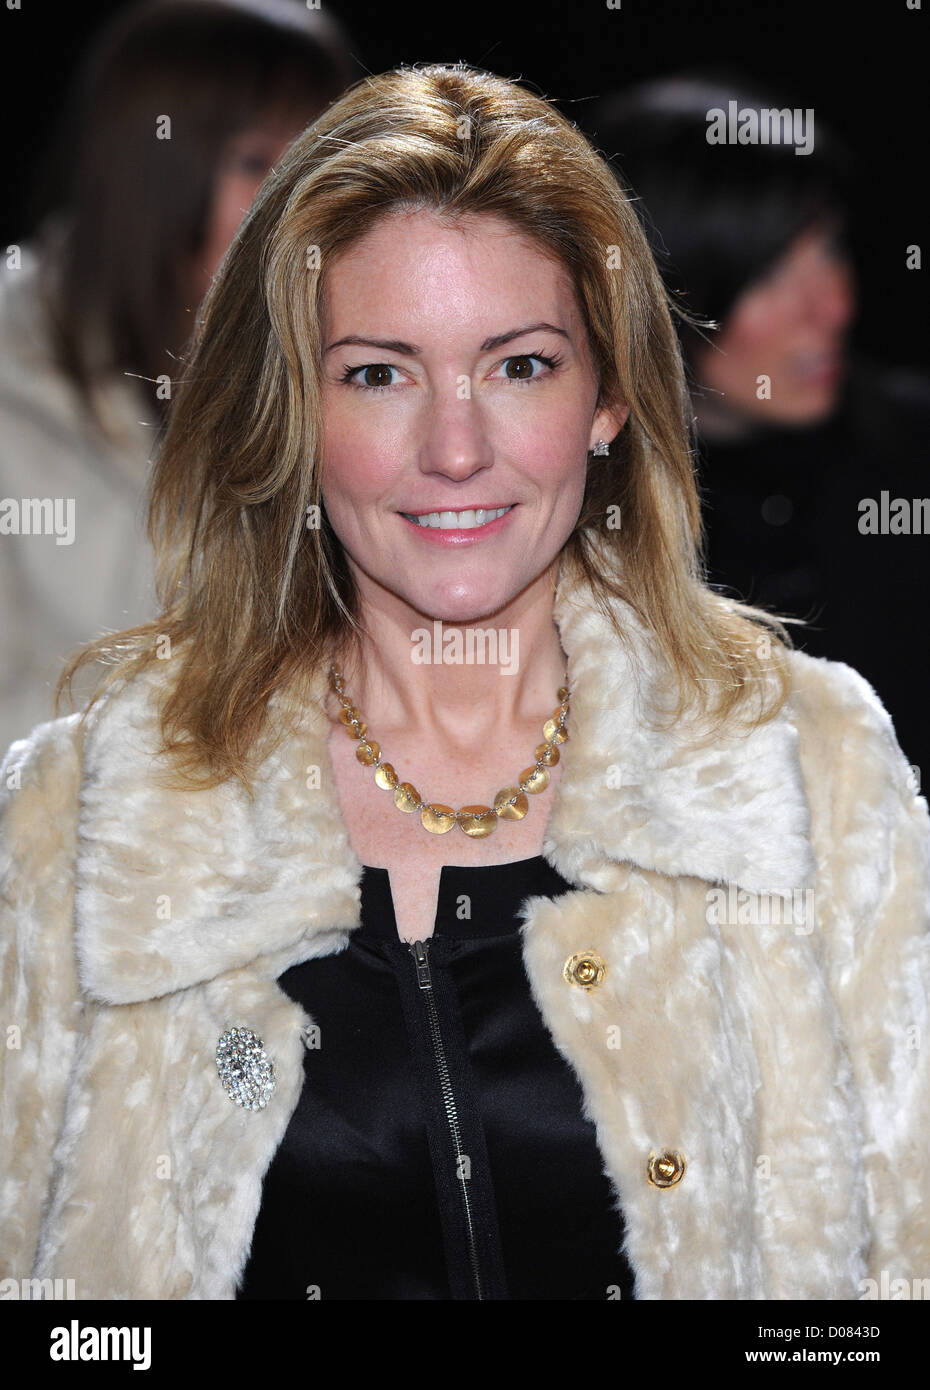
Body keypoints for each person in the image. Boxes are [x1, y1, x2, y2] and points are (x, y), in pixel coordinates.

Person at [1, 61, 927, 1301]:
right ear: (292, 408)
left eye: (521, 366)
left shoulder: (812, 771)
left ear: (607, 398)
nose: (455, 449)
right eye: (379, 372)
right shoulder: (82, 819)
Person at [0, 0, 357, 754]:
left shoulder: (347, 352)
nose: (303, 206)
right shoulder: (14, 371)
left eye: (320, 164)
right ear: (152, 172)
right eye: (261, 162)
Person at [589, 75, 930, 786]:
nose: (833, 306)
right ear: (663, 293)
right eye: (774, 273)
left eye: (831, 251)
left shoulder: (910, 451)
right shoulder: (573, 513)